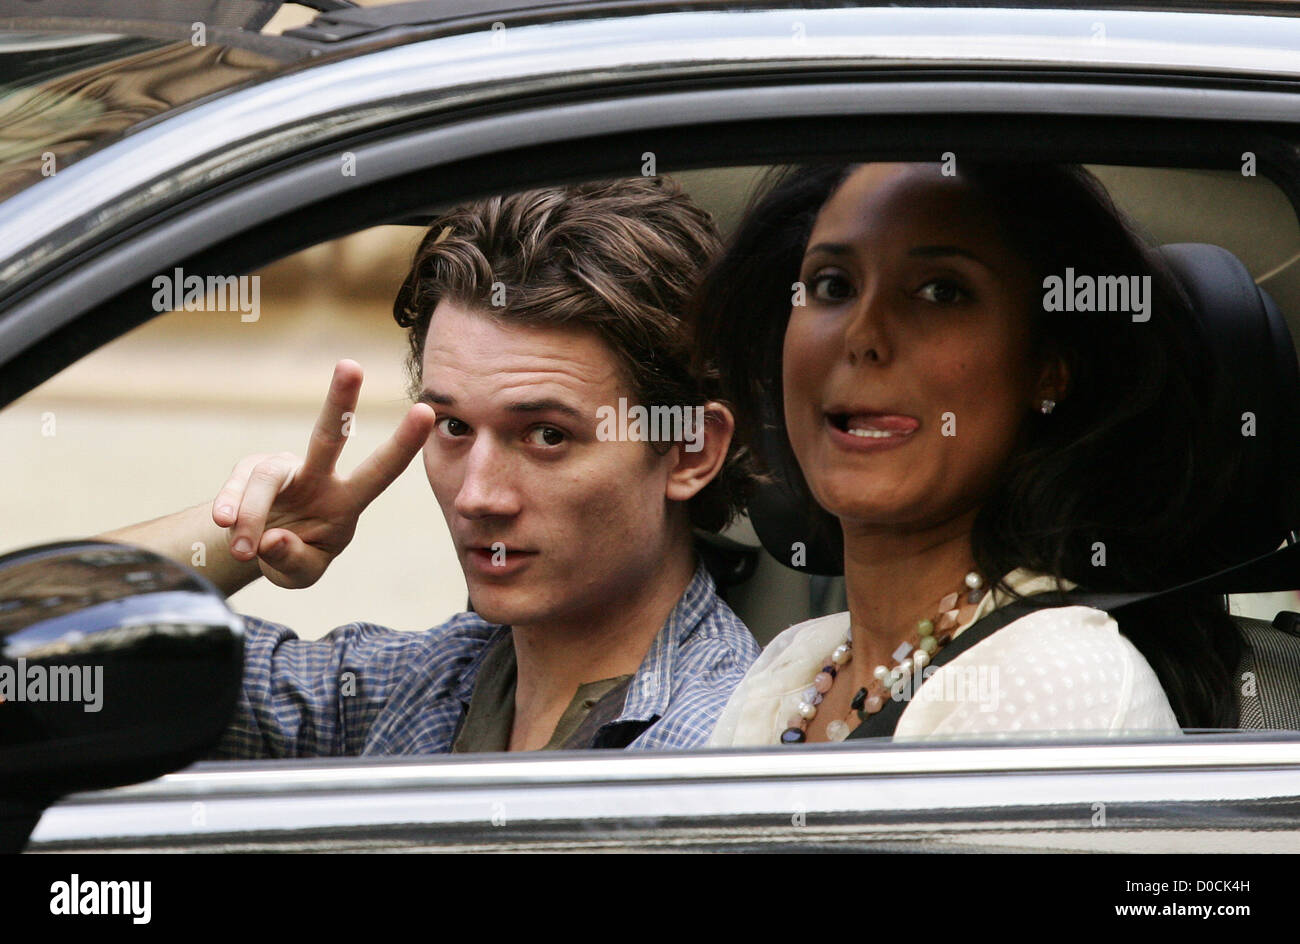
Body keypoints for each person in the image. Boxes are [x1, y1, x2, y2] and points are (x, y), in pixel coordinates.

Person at [100, 176, 759, 755]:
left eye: (547, 436)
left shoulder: (718, 740)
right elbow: (37, 650)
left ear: (690, 450)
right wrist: (238, 535)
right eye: (452, 427)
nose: (477, 495)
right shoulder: (423, 685)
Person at [692, 161, 1242, 746]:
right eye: (833, 286)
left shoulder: (1059, 681)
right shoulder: (796, 662)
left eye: (941, 292)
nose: (862, 335)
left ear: (1049, 370)